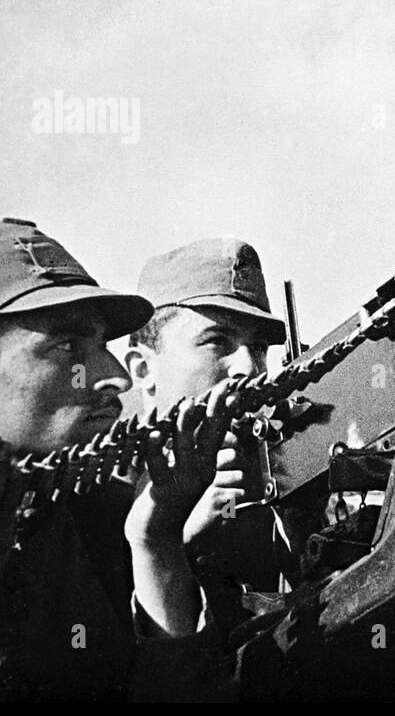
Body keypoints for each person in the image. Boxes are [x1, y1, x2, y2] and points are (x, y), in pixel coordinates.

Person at [0, 218, 230, 701]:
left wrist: (158, 540)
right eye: (68, 346)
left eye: (102, 345)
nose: (115, 378)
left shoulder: (106, 514)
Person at [123, 238, 290, 628]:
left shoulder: (271, 470)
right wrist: (170, 545)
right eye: (217, 341)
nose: (249, 369)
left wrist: (298, 529)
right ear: (144, 370)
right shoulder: (96, 494)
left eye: (259, 347)